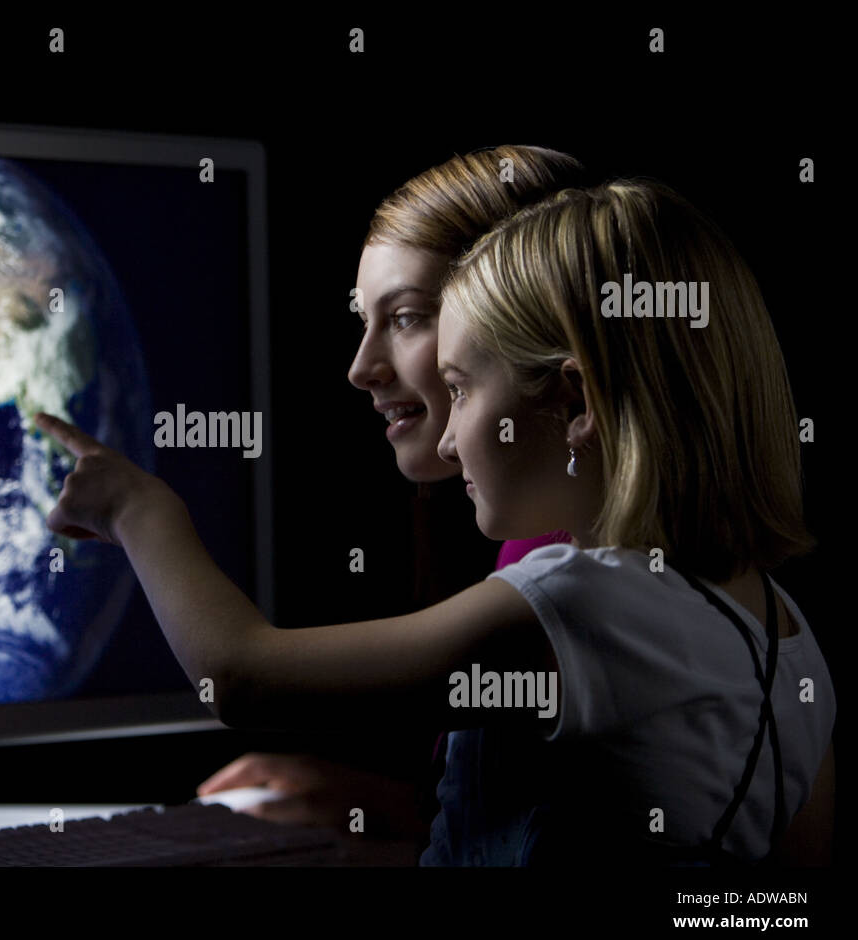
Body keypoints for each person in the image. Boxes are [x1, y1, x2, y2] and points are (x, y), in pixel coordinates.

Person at [33, 178, 835, 865]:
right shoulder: (787, 630)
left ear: (576, 401)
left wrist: (140, 509)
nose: (450, 436)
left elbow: (240, 675)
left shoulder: (568, 606)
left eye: (463, 388)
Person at [197, 147, 584, 844]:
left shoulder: (569, 581)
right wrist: (391, 812)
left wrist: (138, 508)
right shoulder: (535, 536)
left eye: (407, 317)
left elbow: (240, 676)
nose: (359, 368)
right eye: (365, 320)